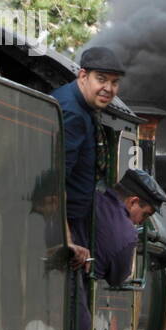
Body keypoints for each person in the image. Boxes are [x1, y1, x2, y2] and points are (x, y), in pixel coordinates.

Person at [50, 46, 126, 272]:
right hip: (60, 226)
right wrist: (66, 240)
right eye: (101, 79)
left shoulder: (83, 107)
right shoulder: (72, 113)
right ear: (83, 76)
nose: (108, 88)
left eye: (114, 82)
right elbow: (54, 180)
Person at [93, 169, 166, 287]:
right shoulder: (126, 234)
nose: (141, 222)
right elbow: (117, 279)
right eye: (145, 214)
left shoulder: (92, 198)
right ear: (133, 202)